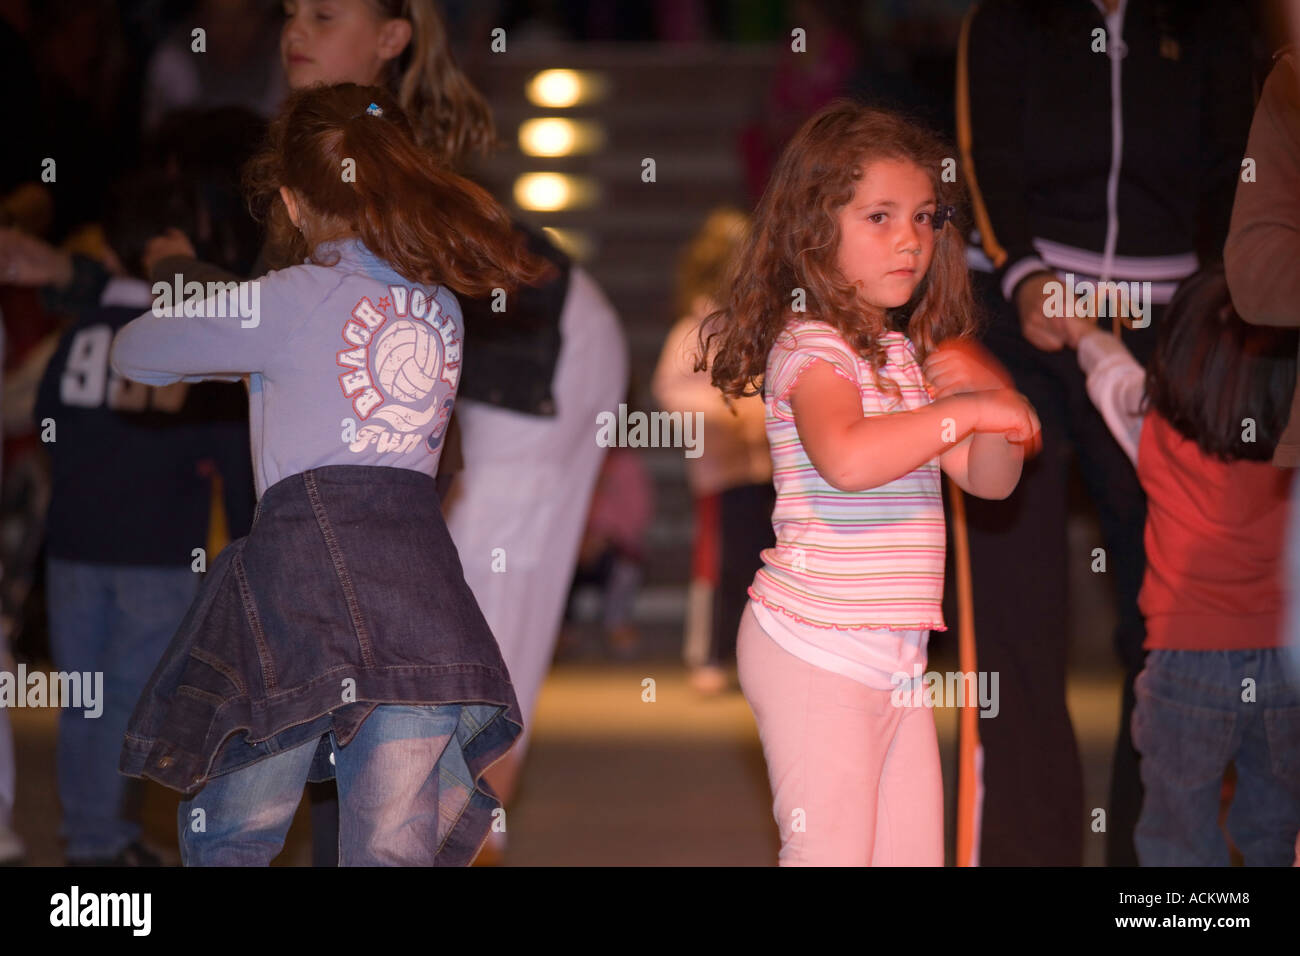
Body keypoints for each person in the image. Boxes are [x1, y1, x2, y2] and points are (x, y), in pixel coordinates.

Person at [110, 83, 548, 866]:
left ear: (292, 201)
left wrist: (191, 282)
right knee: (391, 851)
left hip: (297, 594)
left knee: (236, 834)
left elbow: (136, 350)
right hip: (418, 598)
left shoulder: (284, 300)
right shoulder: (442, 307)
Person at [958, 0, 1256, 865]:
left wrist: (1216, 316)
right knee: (1018, 615)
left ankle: (1153, 869)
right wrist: (1020, 273)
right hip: (1025, 317)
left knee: (1165, 616)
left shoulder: (1208, 27)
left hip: (1167, 330)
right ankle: (1026, 850)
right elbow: (985, 159)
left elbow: (1231, 174)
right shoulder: (1009, 21)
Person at [705, 100, 1041, 865]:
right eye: (880, 217)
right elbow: (849, 458)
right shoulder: (812, 348)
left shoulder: (897, 356)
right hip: (814, 647)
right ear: (814, 232)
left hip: (896, 657)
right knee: (828, 853)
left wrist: (992, 411)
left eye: (924, 218)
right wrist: (969, 413)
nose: (910, 241)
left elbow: (989, 484)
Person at [34, 169, 254, 866]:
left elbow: (47, 418)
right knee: (131, 698)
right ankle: (103, 844)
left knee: (84, 702)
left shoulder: (79, 331)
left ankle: (93, 834)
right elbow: (224, 440)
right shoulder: (181, 330)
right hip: (157, 548)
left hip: (72, 544)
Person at [1057, 268, 1300, 865]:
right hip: (1285, 674)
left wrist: (1078, 328)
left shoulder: (1156, 429)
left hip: (1184, 666)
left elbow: (1110, 372)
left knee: (1176, 837)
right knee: (1274, 829)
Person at [653, 207, 771, 695]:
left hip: (765, 465)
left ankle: (756, 651)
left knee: (763, 559)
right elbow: (670, 390)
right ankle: (709, 652)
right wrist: (722, 410)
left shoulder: (762, 327)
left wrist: (760, 408)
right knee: (716, 561)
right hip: (720, 467)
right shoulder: (693, 330)